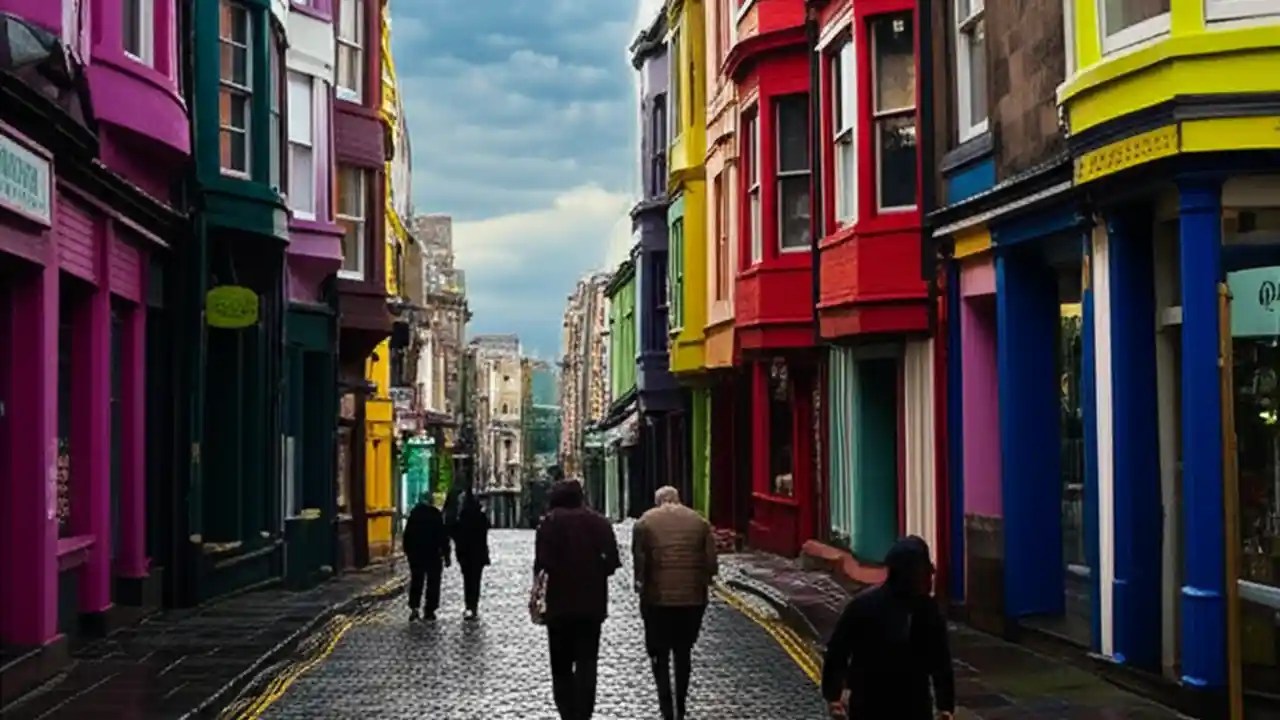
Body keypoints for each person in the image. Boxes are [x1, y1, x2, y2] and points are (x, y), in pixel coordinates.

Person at [821, 535, 955, 720]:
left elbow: (837, 651)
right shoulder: (928, 610)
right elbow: (941, 662)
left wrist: (833, 695)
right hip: (911, 707)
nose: (930, 575)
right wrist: (945, 706)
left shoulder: (862, 605)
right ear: (915, 574)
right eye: (925, 571)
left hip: (868, 705)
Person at [534, 479, 621, 720]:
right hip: (591, 605)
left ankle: (567, 712)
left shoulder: (549, 523)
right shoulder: (599, 522)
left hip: (558, 606)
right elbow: (613, 561)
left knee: (560, 664)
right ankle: (584, 713)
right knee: (587, 662)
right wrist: (595, 571)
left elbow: (542, 563)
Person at [632, 486, 718, 720]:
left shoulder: (644, 523)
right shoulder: (699, 522)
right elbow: (711, 564)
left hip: (657, 600)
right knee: (683, 652)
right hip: (691, 599)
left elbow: (640, 564)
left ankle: (665, 707)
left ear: (658, 501)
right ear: (679, 500)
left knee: (659, 654)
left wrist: (641, 586)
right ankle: (681, 704)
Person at [402, 493, 451, 621]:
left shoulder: (414, 515)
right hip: (433, 554)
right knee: (433, 583)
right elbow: (443, 536)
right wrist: (447, 555)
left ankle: (414, 607)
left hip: (416, 554)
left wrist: (408, 552)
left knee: (416, 581)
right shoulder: (435, 514)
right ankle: (430, 610)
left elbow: (407, 536)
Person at [452, 490, 491, 619]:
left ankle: (468, 606)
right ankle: (474, 607)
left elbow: (455, 534)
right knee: (476, 581)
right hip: (478, 555)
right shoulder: (481, 517)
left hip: (465, 554)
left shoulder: (462, 517)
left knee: (467, 581)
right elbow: (486, 528)